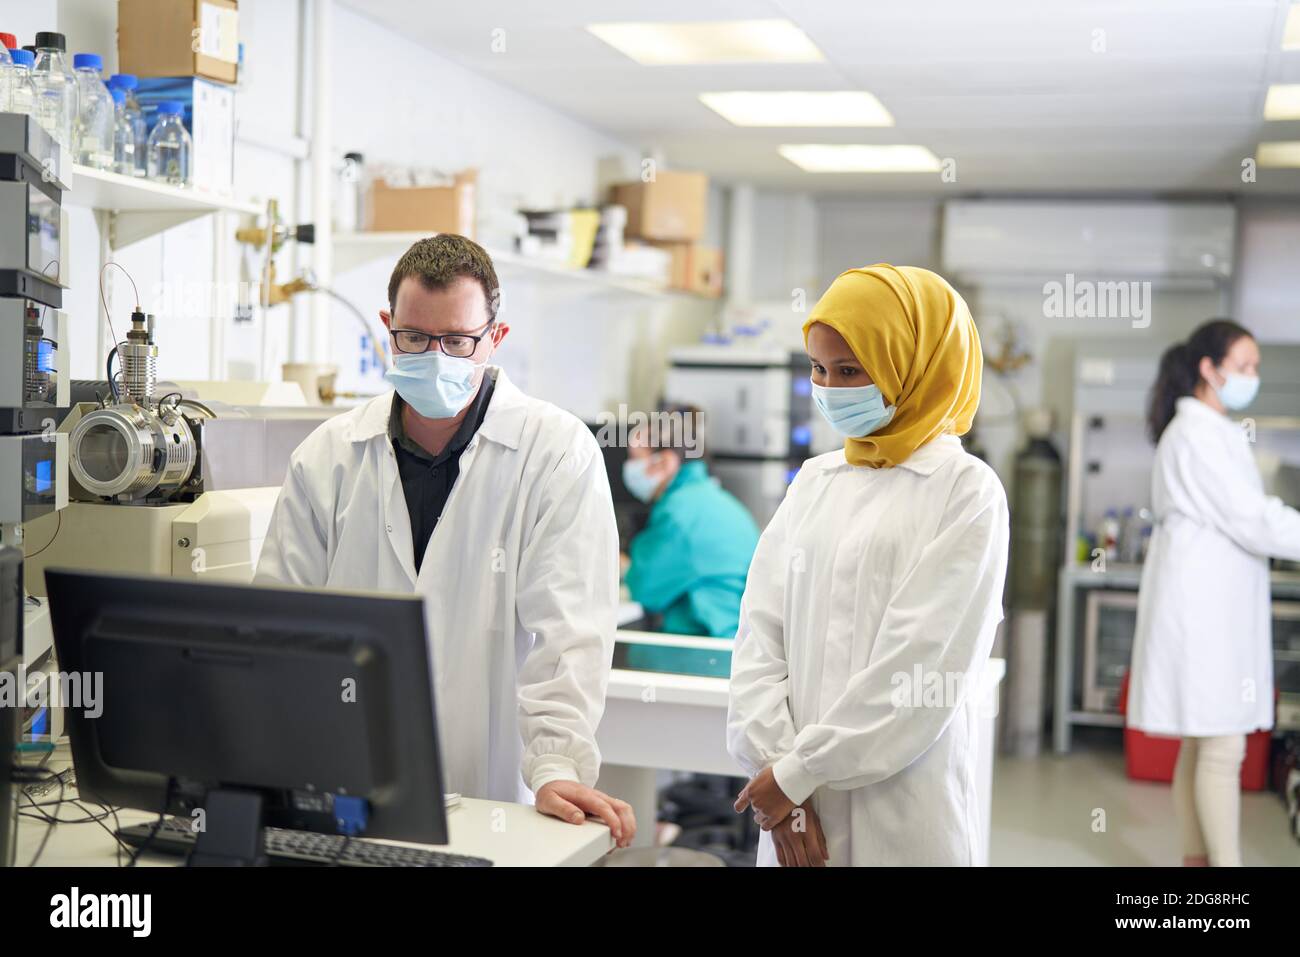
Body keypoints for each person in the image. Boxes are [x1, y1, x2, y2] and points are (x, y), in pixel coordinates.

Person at [256, 235, 635, 846]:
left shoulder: (555, 453)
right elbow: (278, 624)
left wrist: (557, 765)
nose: (436, 357)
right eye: (415, 338)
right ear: (388, 328)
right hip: (345, 783)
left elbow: (568, 634)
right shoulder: (327, 456)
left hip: (496, 796)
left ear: (495, 337)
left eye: (458, 341)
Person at [726, 264, 1009, 867]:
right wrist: (781, 781)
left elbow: (922, 667)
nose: (831, 389)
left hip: (900, 810)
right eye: (818, 369)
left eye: (850, 370)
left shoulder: (964, 491)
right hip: (790, 811)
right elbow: (759, 634)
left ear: (914, 365)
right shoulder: (816, 480)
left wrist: (798, 774)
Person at [1128, 319, 1300, 867]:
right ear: (1209, 368)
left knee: (1203, 740)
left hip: (1208, 603)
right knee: (1221, 745)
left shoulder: (1208, 430)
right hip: (1203, 610)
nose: (1251, 376)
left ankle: (1197, 865)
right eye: (1243, 366)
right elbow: (1251, 517)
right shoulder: (1198, 434)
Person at [621, 405, 760, 675]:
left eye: (634, 458)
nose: (628, 469)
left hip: (705, 652)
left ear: (665, 462)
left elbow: (644, 586)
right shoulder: (714, 500)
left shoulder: (679, 514)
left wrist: (626, 567)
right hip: (734, 649)